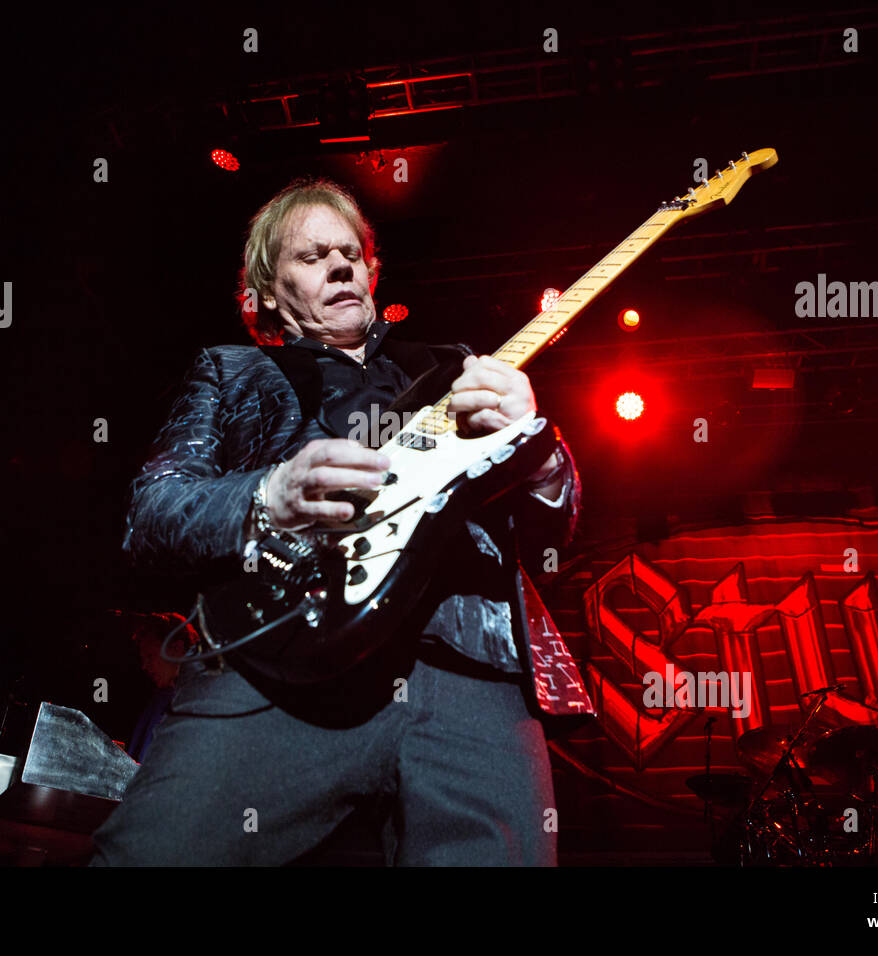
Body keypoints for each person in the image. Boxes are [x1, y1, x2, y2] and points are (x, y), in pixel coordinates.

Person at [90, 178, 591, 866]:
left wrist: (539, 452)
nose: (340, 265)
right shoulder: (232, 372)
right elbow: (151, 512)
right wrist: (270, 494)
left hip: (469, 673)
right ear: (267, 291)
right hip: (279, 663)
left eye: (352, 253)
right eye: (311, 255)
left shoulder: (456, 368)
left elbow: (551, 532)